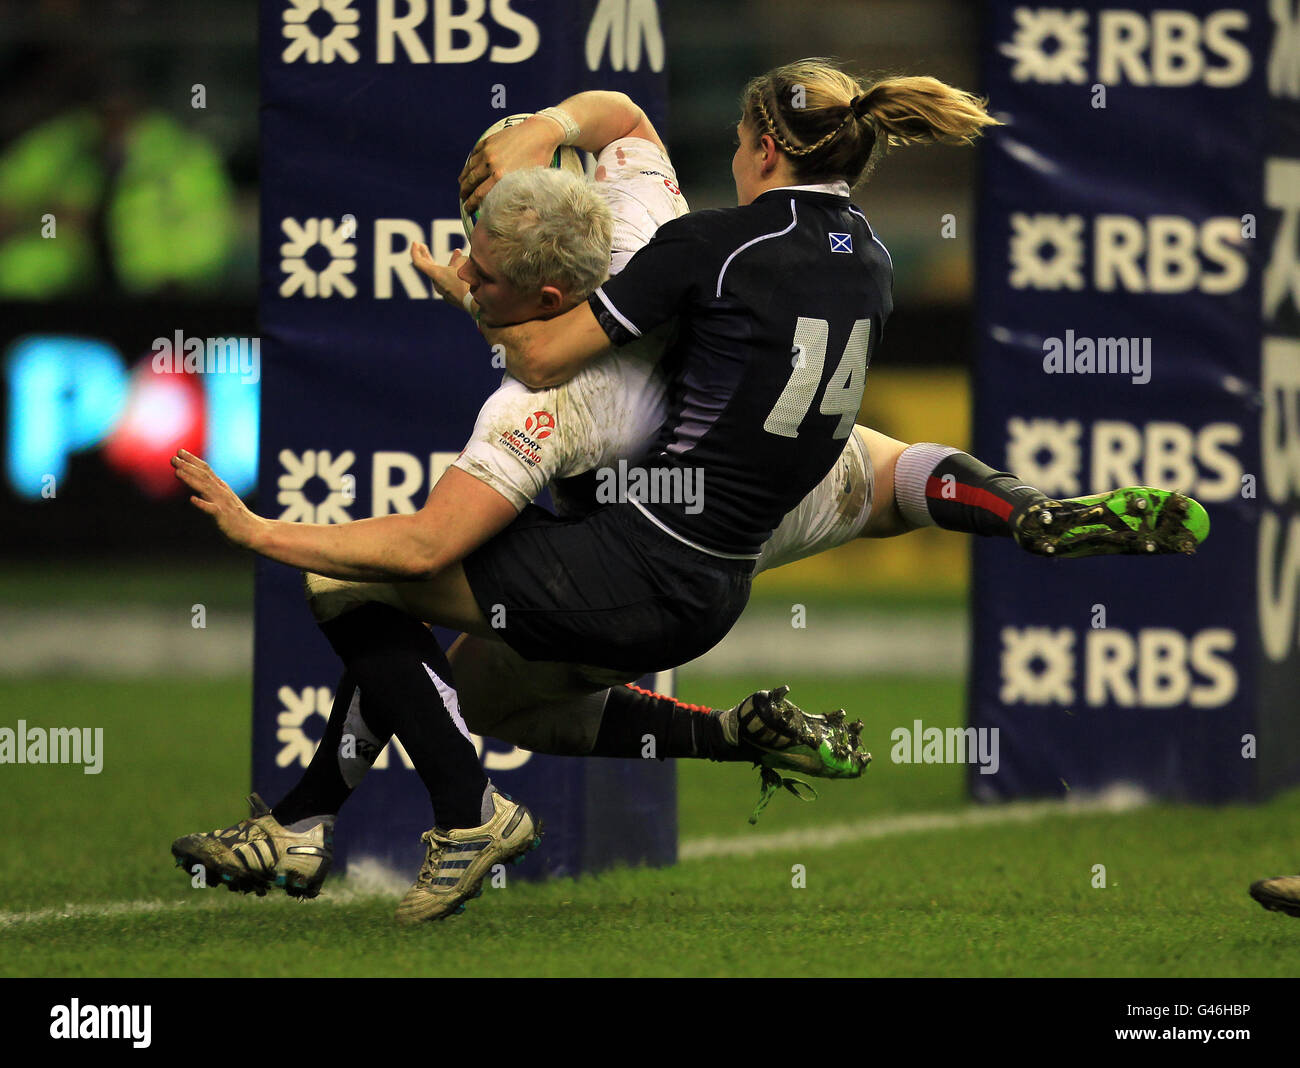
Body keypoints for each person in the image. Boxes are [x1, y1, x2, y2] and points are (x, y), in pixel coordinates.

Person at [172, 63, 1209, 923]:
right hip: (773, 484)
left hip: (653, 540)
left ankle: (444, 815)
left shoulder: (556, 395)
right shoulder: (673, 216)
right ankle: (1015, 509)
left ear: (539, 298)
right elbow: (619, 118)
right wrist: (547, 127)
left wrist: (261, 529)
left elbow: (446, 503)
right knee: (889, 474)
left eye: (480, 269)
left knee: (360, 588)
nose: (466, 273)